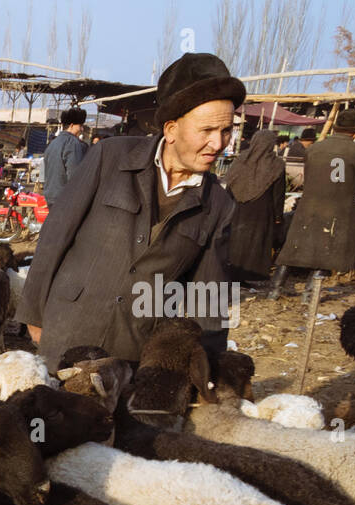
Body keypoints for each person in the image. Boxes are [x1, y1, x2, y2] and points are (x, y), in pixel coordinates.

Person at [17, 51, 244, 371]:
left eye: (226, 131)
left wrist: (210, 370)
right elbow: (56, 233)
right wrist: (34, 313)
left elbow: (208, 297)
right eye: (206, 130)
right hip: (68, 327)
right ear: (171, 129)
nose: (218, 143)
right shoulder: (110, 157)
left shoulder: (218, 205)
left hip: (134, 350)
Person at [270, 109, 355, 299]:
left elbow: (309, 176)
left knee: (293, 247)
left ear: (336, 127)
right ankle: (309, 293)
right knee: (327, 251)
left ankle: (275, 289)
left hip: (309, 206)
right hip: (338, 209)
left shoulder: (314, 149)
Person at [222, 130, 286, 284]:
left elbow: (229, 184)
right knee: (255, 242)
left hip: (237, 207)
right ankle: (249, 276)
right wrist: (278, 216)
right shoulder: (276, 164)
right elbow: (278, 194)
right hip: (262, 210)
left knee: (236, 240)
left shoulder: (241, 159)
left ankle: (231, 273)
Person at [42, 107, 88, 207]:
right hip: (65, 199)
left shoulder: (53, 143)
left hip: (50, 196)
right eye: (80, 126)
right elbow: (74, 175)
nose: (81, 129)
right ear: (71, 125)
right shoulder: (73, 143)